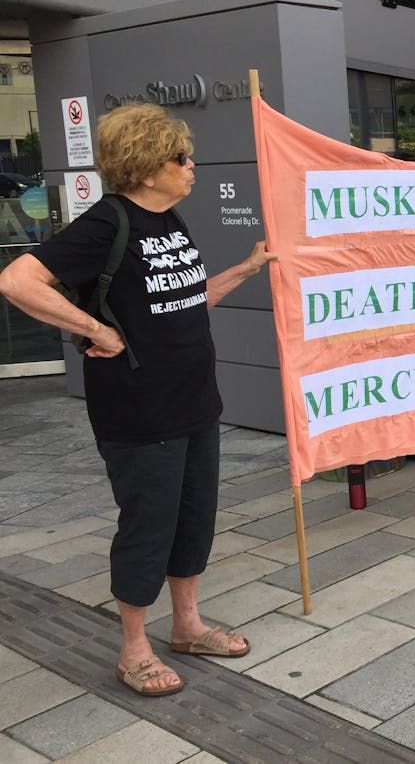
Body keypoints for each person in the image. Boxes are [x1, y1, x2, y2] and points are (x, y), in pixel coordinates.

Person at [0, 104, 275, 697]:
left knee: (193, 521)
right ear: (148, 167)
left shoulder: (170, 220)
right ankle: (134, 650)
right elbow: (16, 280)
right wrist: (95, 331)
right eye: (181, 158)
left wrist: (246, 271)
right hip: (139, 412)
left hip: (196, 403)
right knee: (148, 528)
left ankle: (187, 625)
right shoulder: (106, 224)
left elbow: (184, 301)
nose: (191, 166)